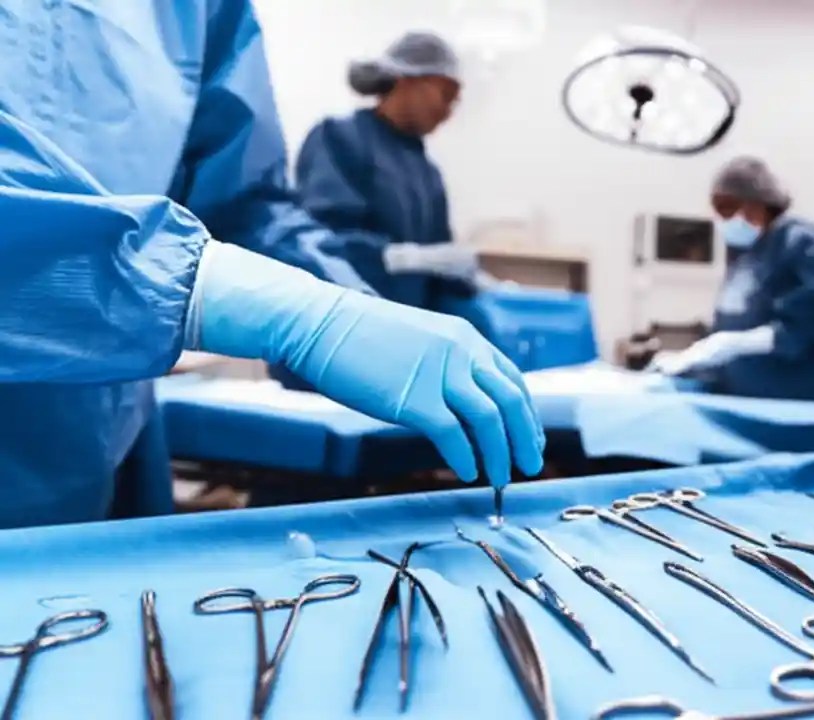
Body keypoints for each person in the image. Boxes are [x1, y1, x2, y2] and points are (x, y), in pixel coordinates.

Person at [0, 1, 542, 528]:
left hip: (111, 424)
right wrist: (282, 313)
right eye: (445, 92)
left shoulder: (194, 10)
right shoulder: (345, 137)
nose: (452, 108)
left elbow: (243, 203)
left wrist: (345, 307)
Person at [652, 157, 814, 403]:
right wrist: (693, 363)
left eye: (727, 207)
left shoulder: (804, 243)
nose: (722, 219)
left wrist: (737, 344)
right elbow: (733, 324)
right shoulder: (744, 253)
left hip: (806, 405)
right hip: (750, 403)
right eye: (717, 209)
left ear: (758, 204)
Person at [295, 32, 476, 309]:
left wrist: (471, 282)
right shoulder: (339, 137)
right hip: (347, 316)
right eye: (446, 94)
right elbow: (322, 240)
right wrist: (394, 257)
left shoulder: (427, 171)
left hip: (409, 322)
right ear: (408, 80)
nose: (448, 111)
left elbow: (441, 263)